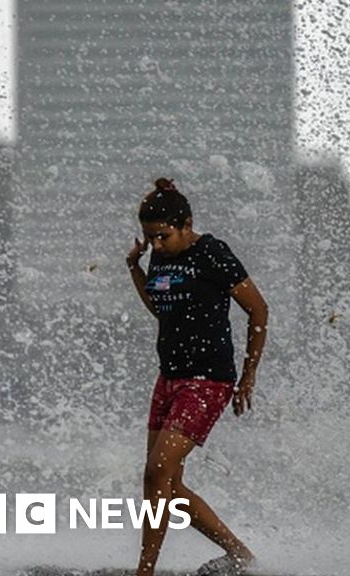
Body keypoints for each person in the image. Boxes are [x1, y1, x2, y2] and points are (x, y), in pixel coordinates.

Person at [126, 178, 268, 576]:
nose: (157, 244)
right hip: (168, 379)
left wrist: (248, 376)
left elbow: (258, 310)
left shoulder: (212, 253)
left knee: (157, 472)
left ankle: (145, 570)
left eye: (164, 236)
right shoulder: (158, 256)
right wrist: (134, 269)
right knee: (164, 486)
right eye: (150, 237)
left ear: (186, 224)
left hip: (208, 381)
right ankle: (239, 554)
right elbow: (161, 308)